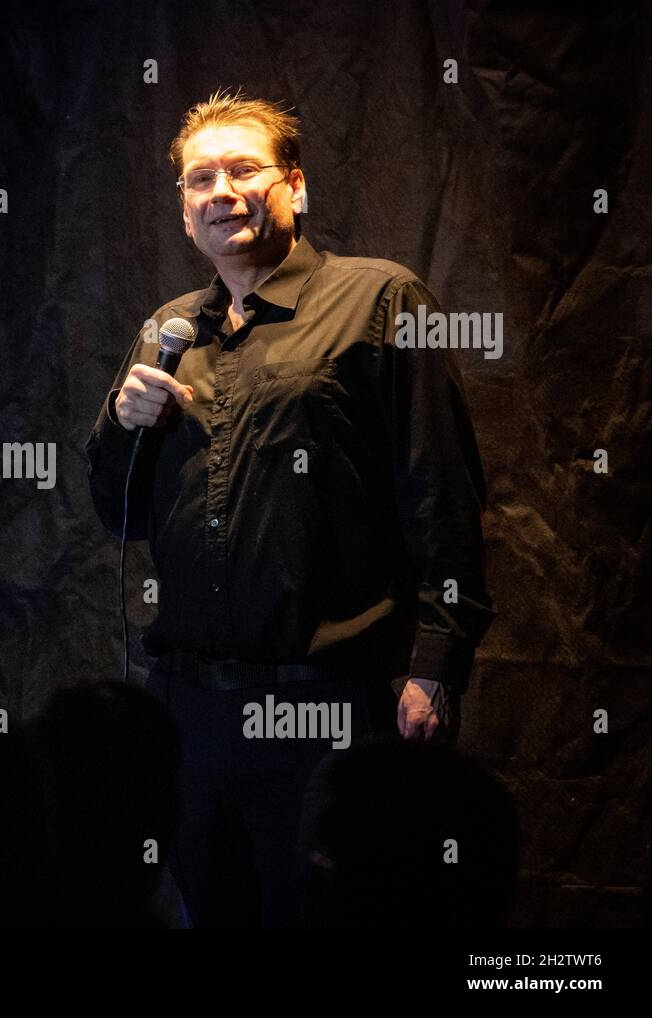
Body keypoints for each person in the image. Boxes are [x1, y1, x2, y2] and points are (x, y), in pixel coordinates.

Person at [84, 89, 496, 928]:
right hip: (191, 710)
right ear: (183, 207)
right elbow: (117, 513)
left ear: (295, 186)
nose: (221, 191)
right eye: (201, 178)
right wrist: (123, 428)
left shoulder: (380, 300)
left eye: (245, 169)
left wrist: (434, 661)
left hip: (322, 707)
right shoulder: (169, 329)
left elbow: (441, 488)